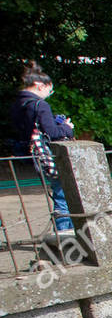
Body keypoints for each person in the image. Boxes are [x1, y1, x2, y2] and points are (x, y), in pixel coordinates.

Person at [10, 62, 76, 232]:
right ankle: (65, 235)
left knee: (59, 192)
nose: (49, 94)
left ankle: (66, 233)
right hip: (50, 155)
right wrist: (67, 128)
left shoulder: (18, 104)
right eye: (49, 90)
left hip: (33, 155)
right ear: (40, 86)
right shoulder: (40, 105)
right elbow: (52, 132)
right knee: (63, 194)